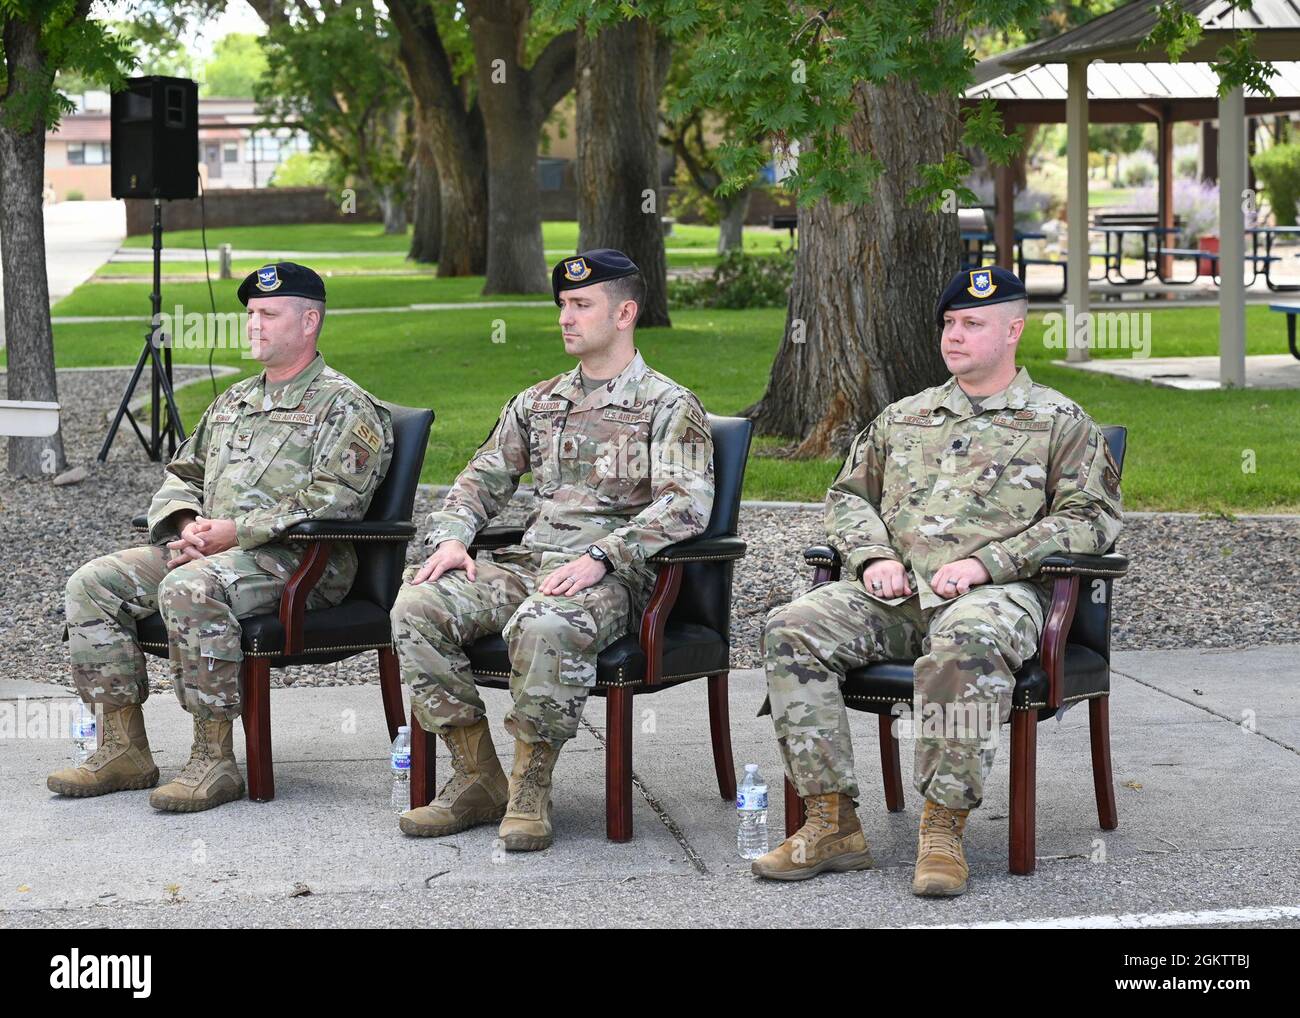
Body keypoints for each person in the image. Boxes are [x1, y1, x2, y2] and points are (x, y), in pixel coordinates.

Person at [753, 266, 1123, 895]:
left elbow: (1092, 519)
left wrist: (990, 563)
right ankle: (831, 822)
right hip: (895, 595)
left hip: (997, 596)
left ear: (1014, 330)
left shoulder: (1060, 422)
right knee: (792, 625)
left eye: (972, 323)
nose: (954, 336)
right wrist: (873, 558)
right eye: (949, 323)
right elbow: (847, 497)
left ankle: (943, 828)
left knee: (967, 642)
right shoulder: (904, 416)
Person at [392, 248, 714, 851]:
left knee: (546, 623)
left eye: (582, 305)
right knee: (416, 605)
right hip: (529, 564)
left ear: (625, 315)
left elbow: (685, 505)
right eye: (563, 304)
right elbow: (477, 480)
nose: (566, 317)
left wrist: (601, 558)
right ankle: (477, 775)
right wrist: (454, 539)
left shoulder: (669, 405)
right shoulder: (538, 401)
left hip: (613, 577)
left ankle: (531, 782)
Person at [48, 262, 394, 812]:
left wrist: (235, 532)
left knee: (190, 587)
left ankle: (214, 759)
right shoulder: (233, 402)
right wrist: (187, 526)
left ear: (309, 322)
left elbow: (338, 500)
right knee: (93, 583)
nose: (253, 325)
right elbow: (181, 474)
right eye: (250, 314)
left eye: (268, 314)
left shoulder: (345, 406)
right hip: (214, 554)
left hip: (301, 563)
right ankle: (122, 750)